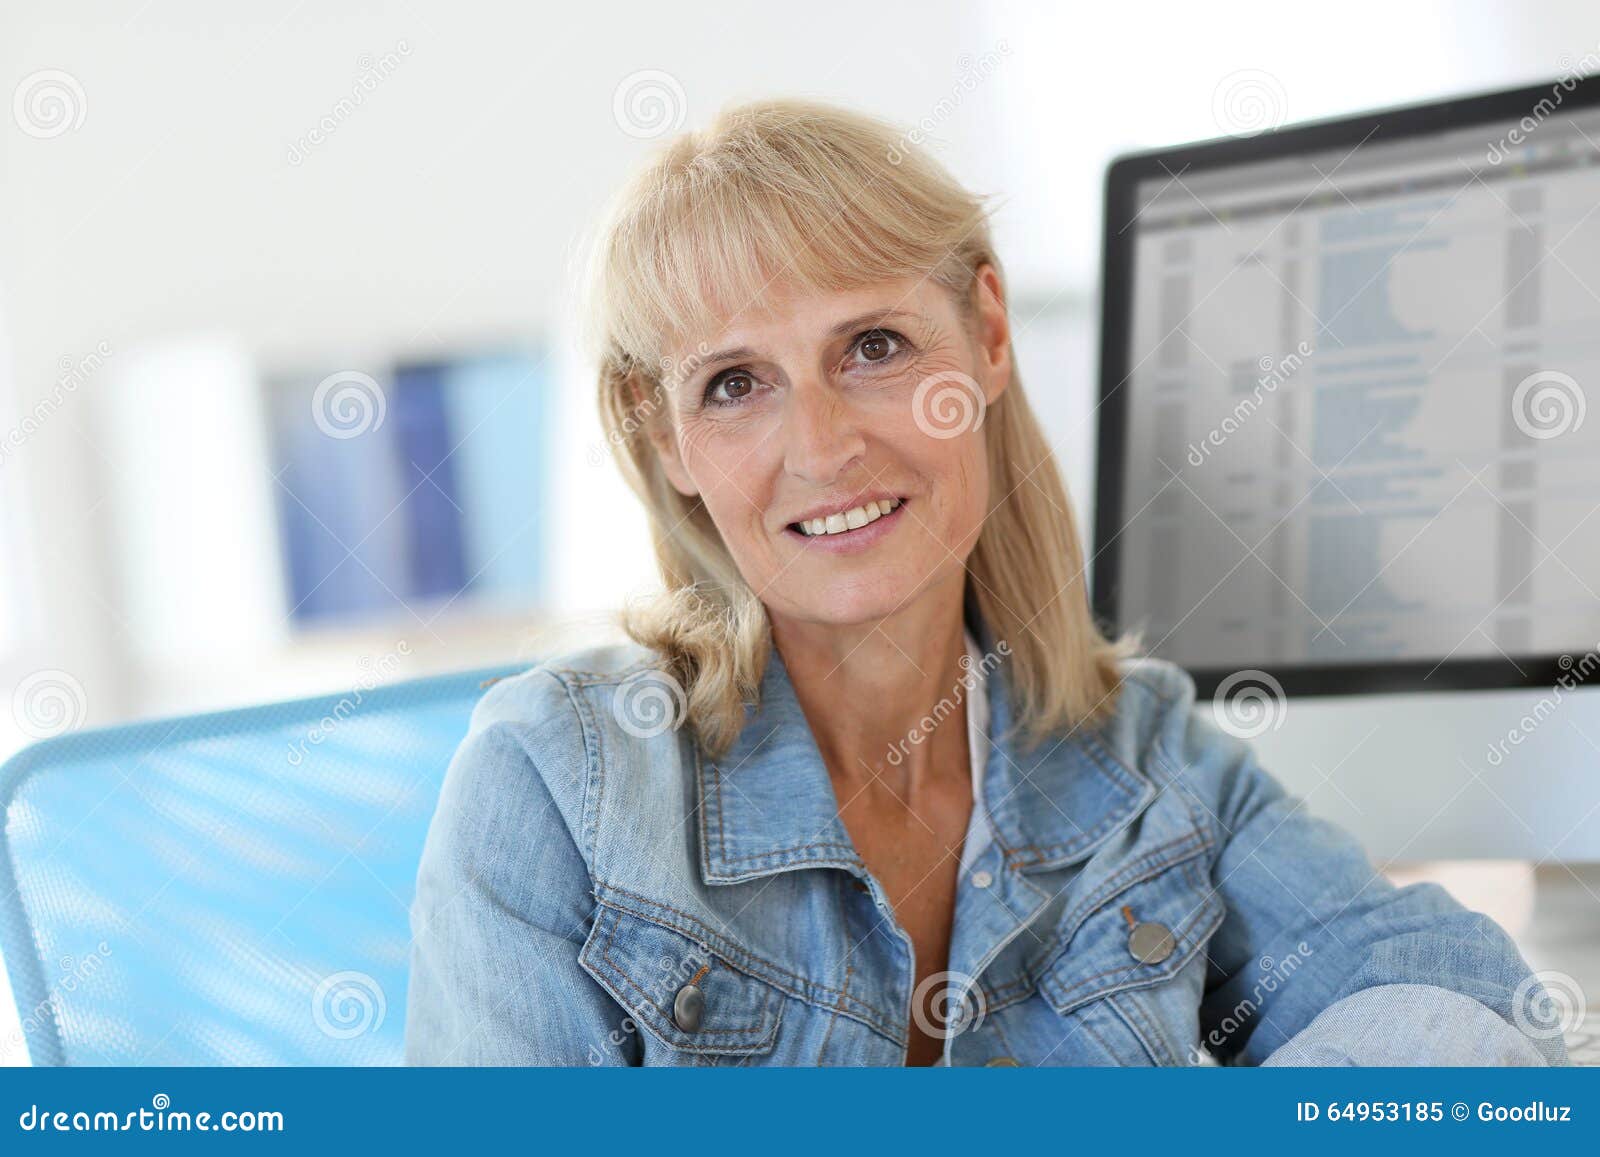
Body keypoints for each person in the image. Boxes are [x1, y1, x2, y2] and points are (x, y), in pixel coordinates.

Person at [405, 98, 1565, 1067]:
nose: (822, 447)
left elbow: (1463, 1002)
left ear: (988, 333)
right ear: (662, 438)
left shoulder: (1142, 753)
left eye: (872, 346)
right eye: (733, 384)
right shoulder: (559, 782)